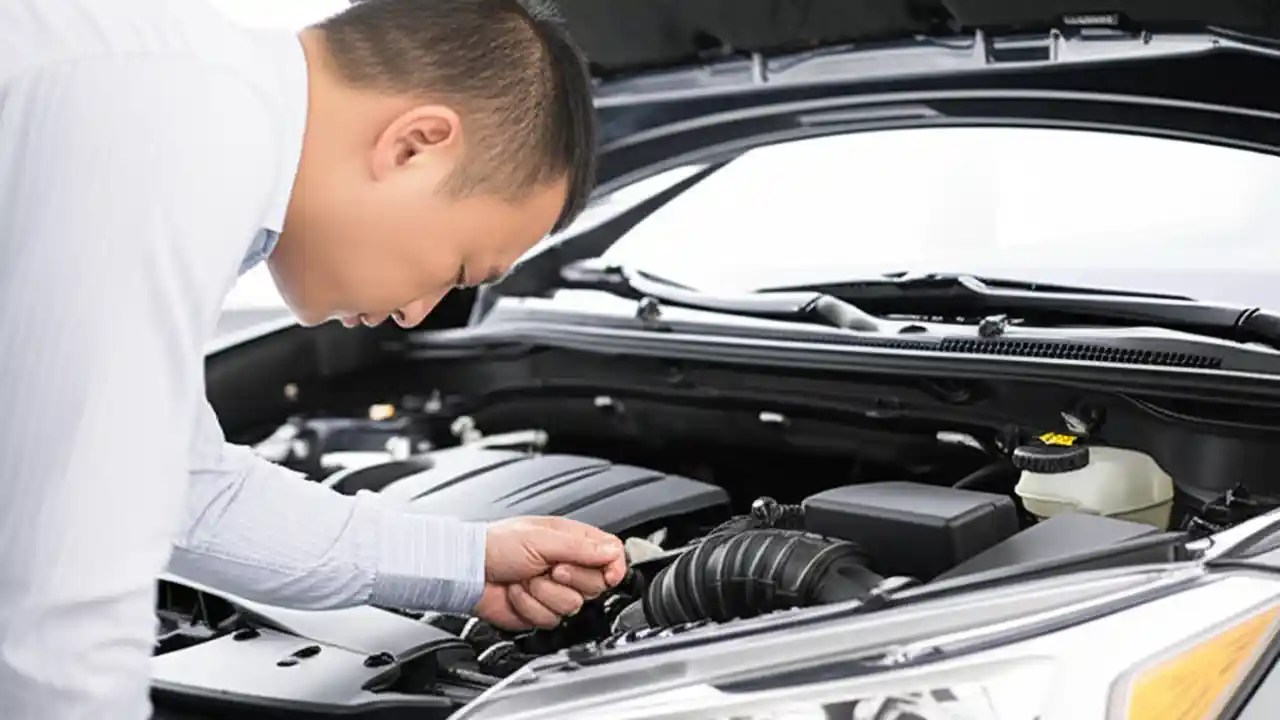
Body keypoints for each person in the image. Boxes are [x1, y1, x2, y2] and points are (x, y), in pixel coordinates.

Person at [0, 0, 621, 718]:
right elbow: (63, 597)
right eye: (457, 269)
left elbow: (180, 487)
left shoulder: (185, 106)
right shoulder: (173, 131)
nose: (417, 312)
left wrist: (463, 565)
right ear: (416, 144)